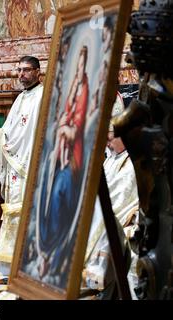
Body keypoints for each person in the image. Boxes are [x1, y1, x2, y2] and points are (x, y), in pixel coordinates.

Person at [0, 56, 44, 280]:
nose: (21, 74)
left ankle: (29, 269)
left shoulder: (43, 97)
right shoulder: (20, 98)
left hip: (31, 165)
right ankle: (8, 269)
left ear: (38, 71)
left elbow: (34, 133)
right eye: (18, 70)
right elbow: (10, 131)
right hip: (15, 165)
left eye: (26, 70)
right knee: (12, 216)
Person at [35, 46, 89, 286]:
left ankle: (54, 253)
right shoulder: (71, 88)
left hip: (73, 156)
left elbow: (78, 122)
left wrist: (68, 129)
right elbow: (64, 115)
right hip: (59, 153)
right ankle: (44, 252)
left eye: (81, 64)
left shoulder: (84, 86)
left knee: (58, 194)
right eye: (76, 65)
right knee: (45, 195)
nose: (78, 69)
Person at [82, 97, 139, 299]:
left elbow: (122, 200)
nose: (107, 141)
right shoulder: (110, 160)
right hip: (105, 225)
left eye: (111, 136)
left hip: (123, 229)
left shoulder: (132, 163)